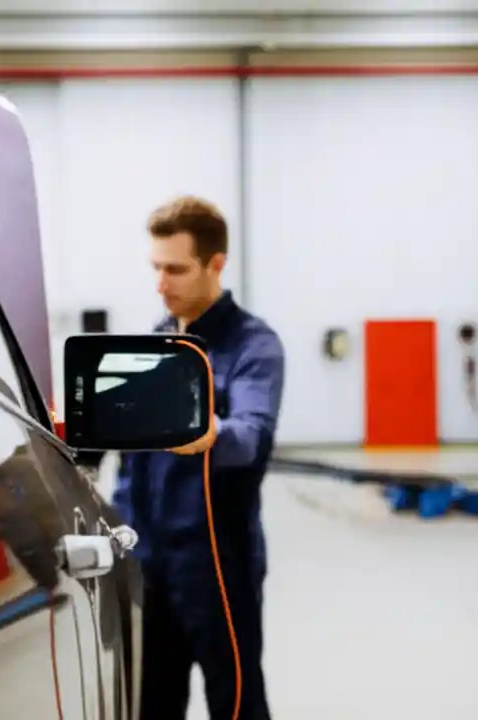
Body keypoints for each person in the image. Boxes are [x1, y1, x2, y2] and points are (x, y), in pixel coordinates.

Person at [114, 196, 285, 719]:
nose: (161, 285)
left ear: (216, 264)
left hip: (218, 565)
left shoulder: (254, 347)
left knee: (235, 702)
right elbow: (131, 454)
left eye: (175, 269)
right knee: (152, 702)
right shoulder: (155, 342)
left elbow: (251, 432)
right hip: (150, 562)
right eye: (156, 269)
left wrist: (212, 435)